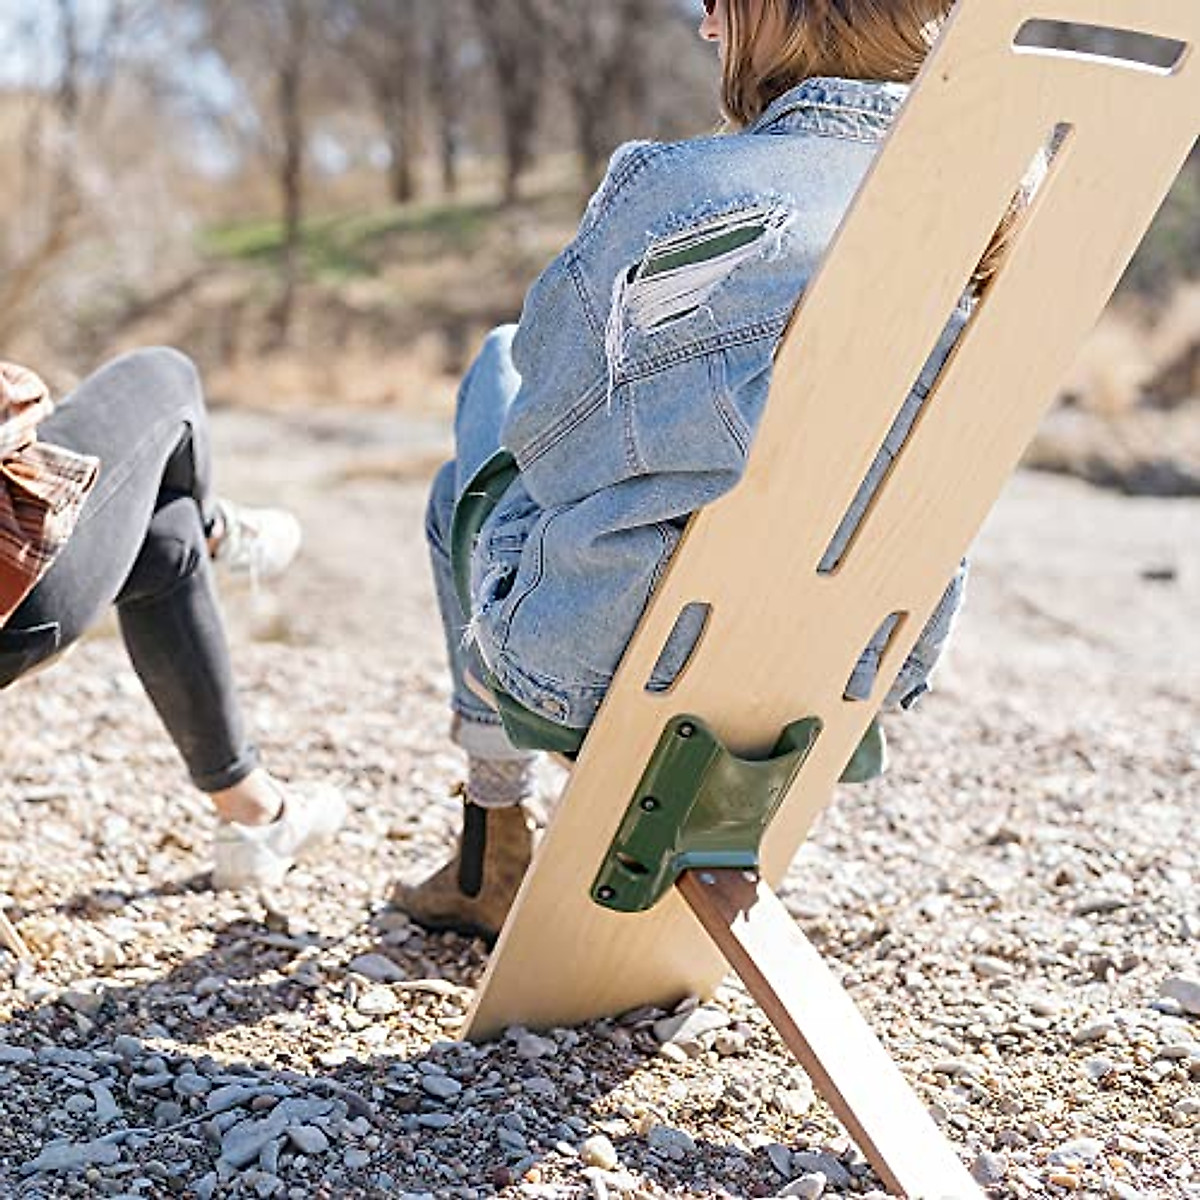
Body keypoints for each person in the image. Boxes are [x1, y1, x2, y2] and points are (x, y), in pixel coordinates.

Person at [393, 0, 1032, 940]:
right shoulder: (1007, 205)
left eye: (717, 4)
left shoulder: (682, 189)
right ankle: (495, 843)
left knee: (492, 386)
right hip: (846, 669)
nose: (706, 29)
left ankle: (492, 827)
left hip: (610, 658)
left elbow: (550, 444)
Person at [0, 348, 345, 891]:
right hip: (20, 592)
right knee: (164, 374)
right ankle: (219, 535)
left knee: (166, 536)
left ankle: (255, 814)